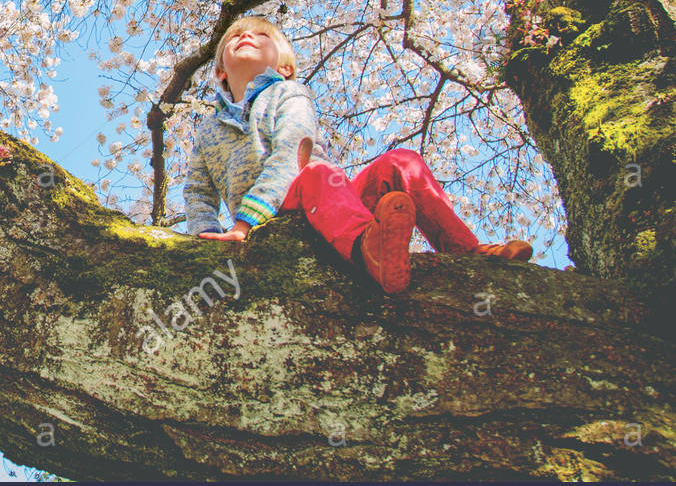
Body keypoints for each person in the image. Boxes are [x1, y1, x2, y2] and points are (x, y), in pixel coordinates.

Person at [182, 15, 532, 293]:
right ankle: (371, 248)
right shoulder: (209, 130)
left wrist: (245, 221)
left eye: (261, 36)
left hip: (324, 203)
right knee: (318, 175)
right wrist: (207, 239)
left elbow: (292, 151)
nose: (245, 37)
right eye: (234, 37)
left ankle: (466, 252)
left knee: (400, 162)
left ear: (284, 67)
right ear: (221, 73)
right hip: (278, 220)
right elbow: (198, 190)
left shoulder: (289, 93)